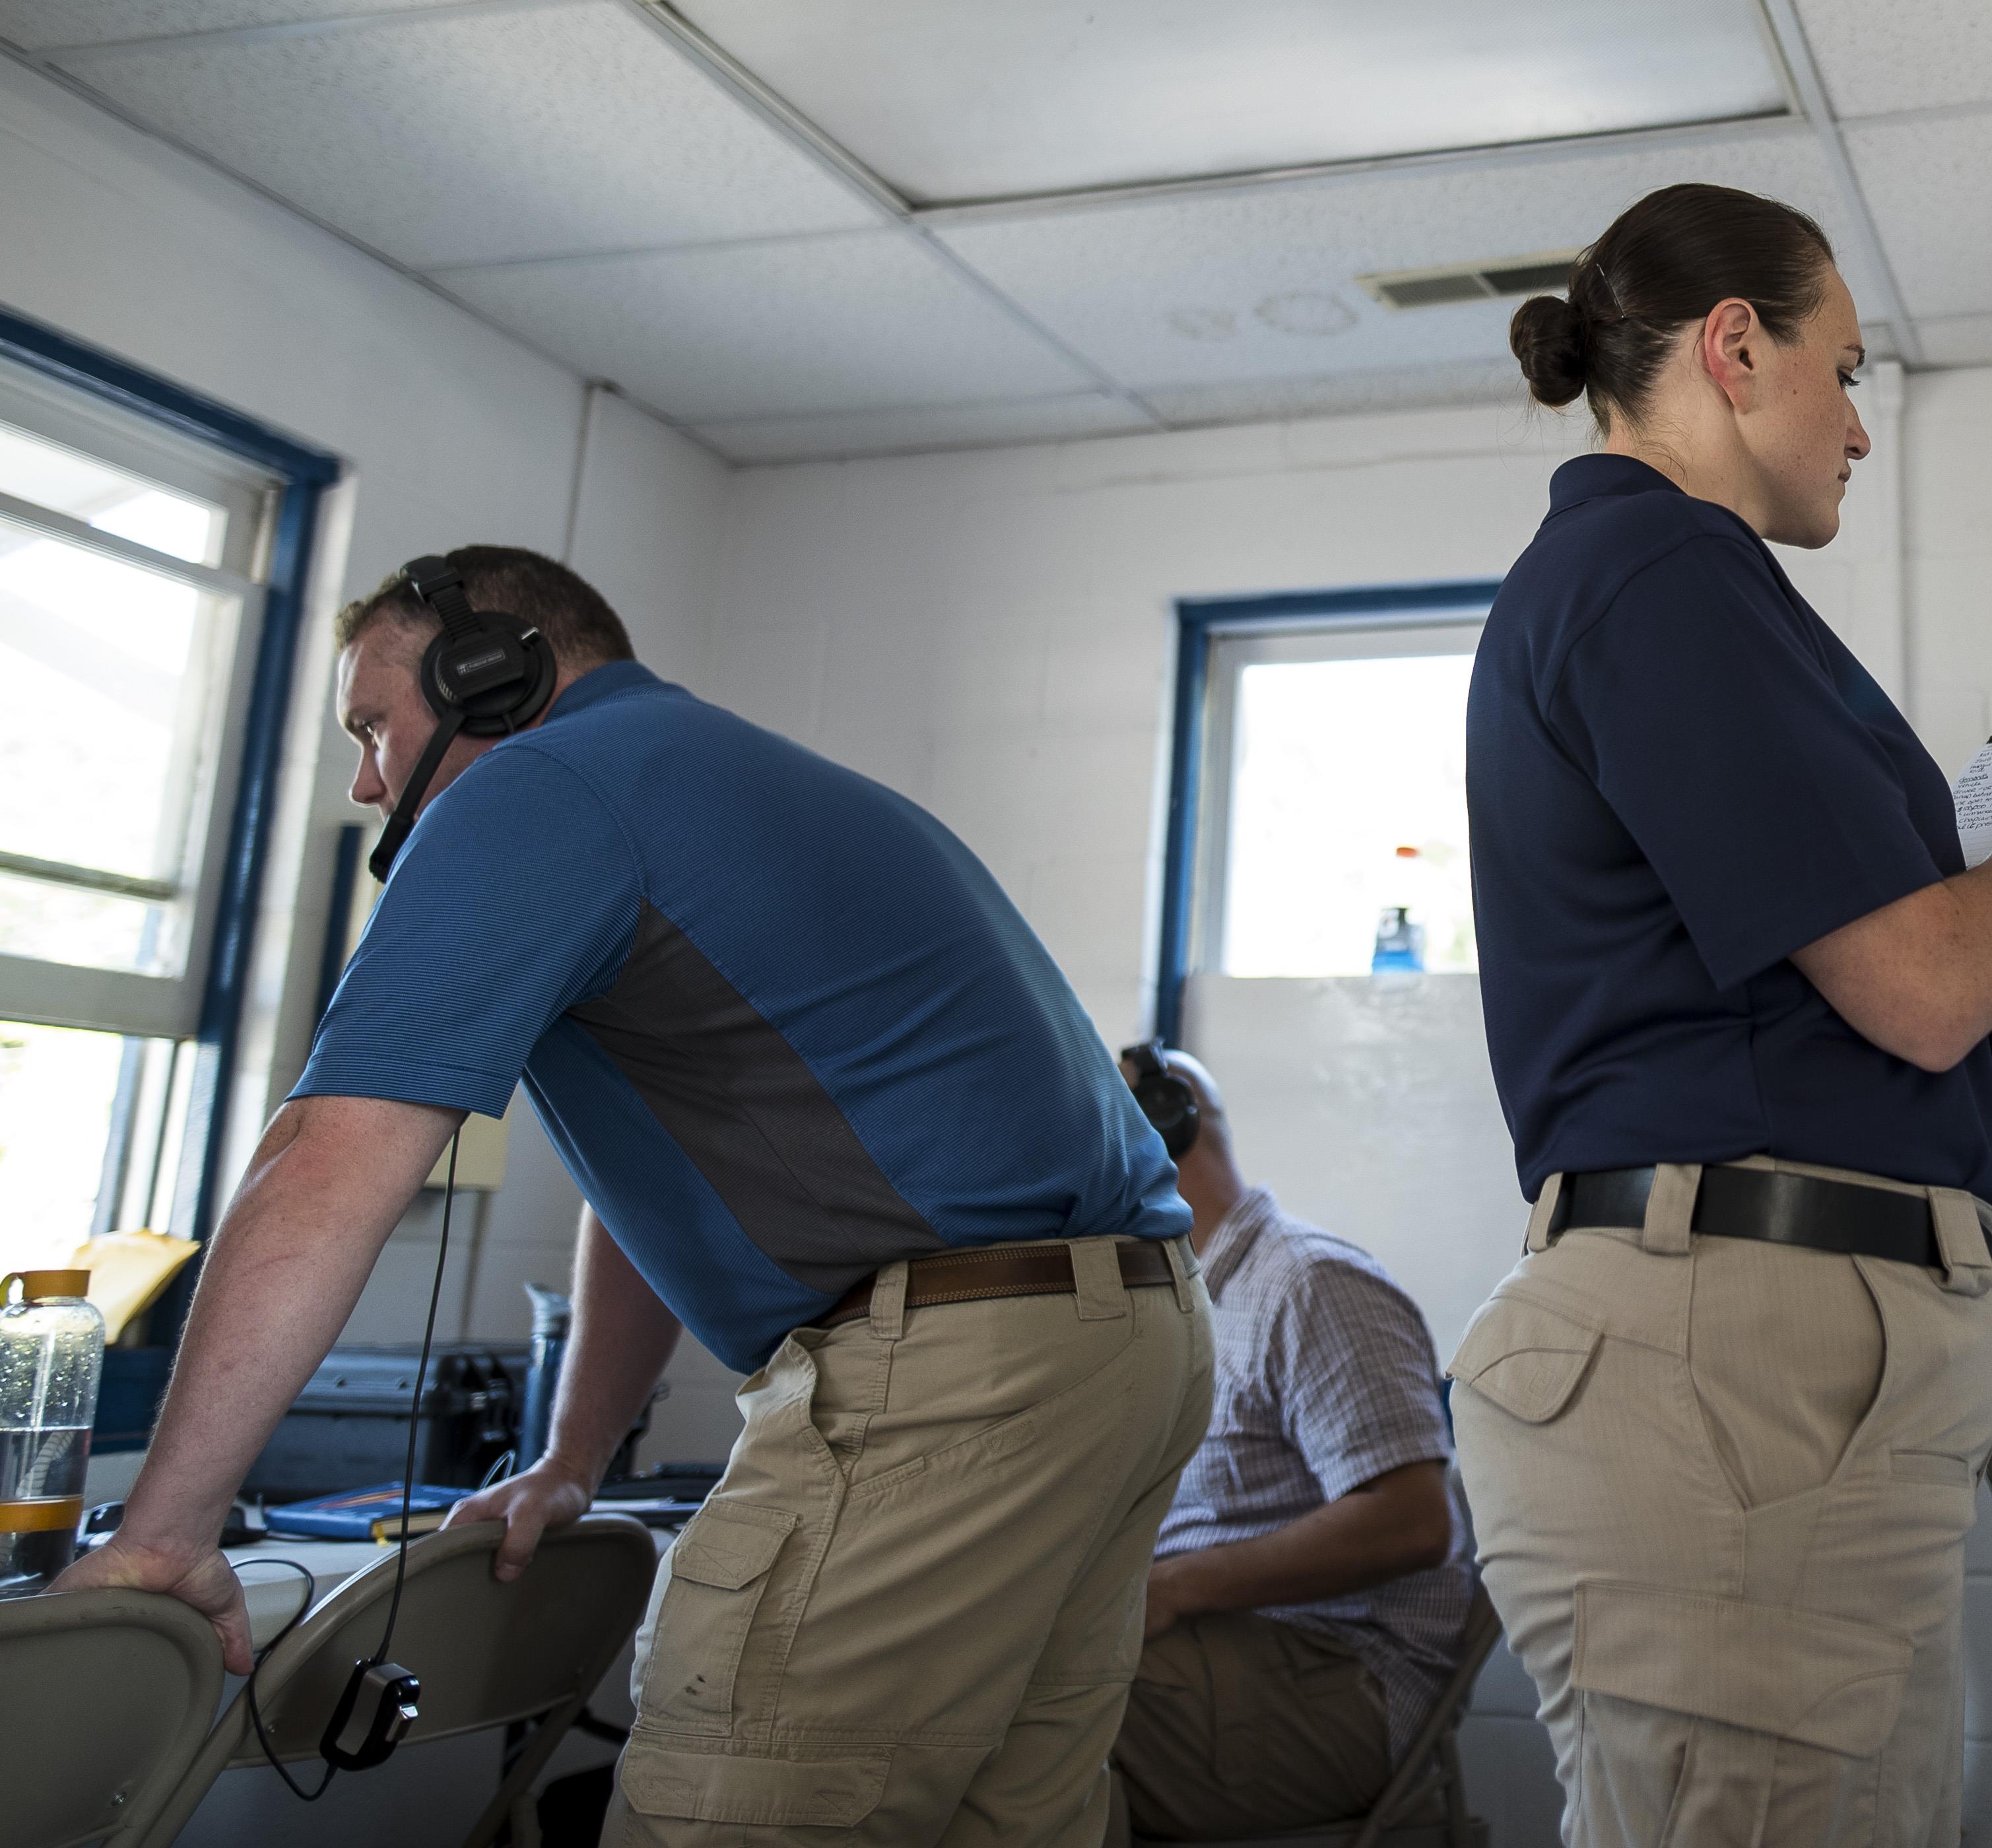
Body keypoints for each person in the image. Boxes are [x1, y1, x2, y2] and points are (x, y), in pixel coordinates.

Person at [51, 546, 1212, 1848]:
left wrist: (162, 1534)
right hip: (1120, 1348)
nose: (370, 782)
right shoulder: (737, 776)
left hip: (959, 1380)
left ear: (491, 674)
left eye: (376, 727)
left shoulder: (538, 787)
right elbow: (652, 1180)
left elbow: (328, 1155)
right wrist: (575, 1454)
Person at [1452, 182, 1992, 1847]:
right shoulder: (1656, 569)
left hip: (1761, 1364)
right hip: (1732, 1371)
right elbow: (1925, 991)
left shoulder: (1675, 589)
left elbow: (1890, 1012)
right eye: (1844, 370)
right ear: (1733, 349)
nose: (1860, 427)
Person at [1101, 1044, 1472, 1842]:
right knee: (980, 1678)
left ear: (1156, 1127)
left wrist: (1167, 1589)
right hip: (1236, 1658)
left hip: (1337, 1676)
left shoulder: (1308, 1283)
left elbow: (1413, 1520)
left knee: (1024, 1715)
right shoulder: (1185, 1306)